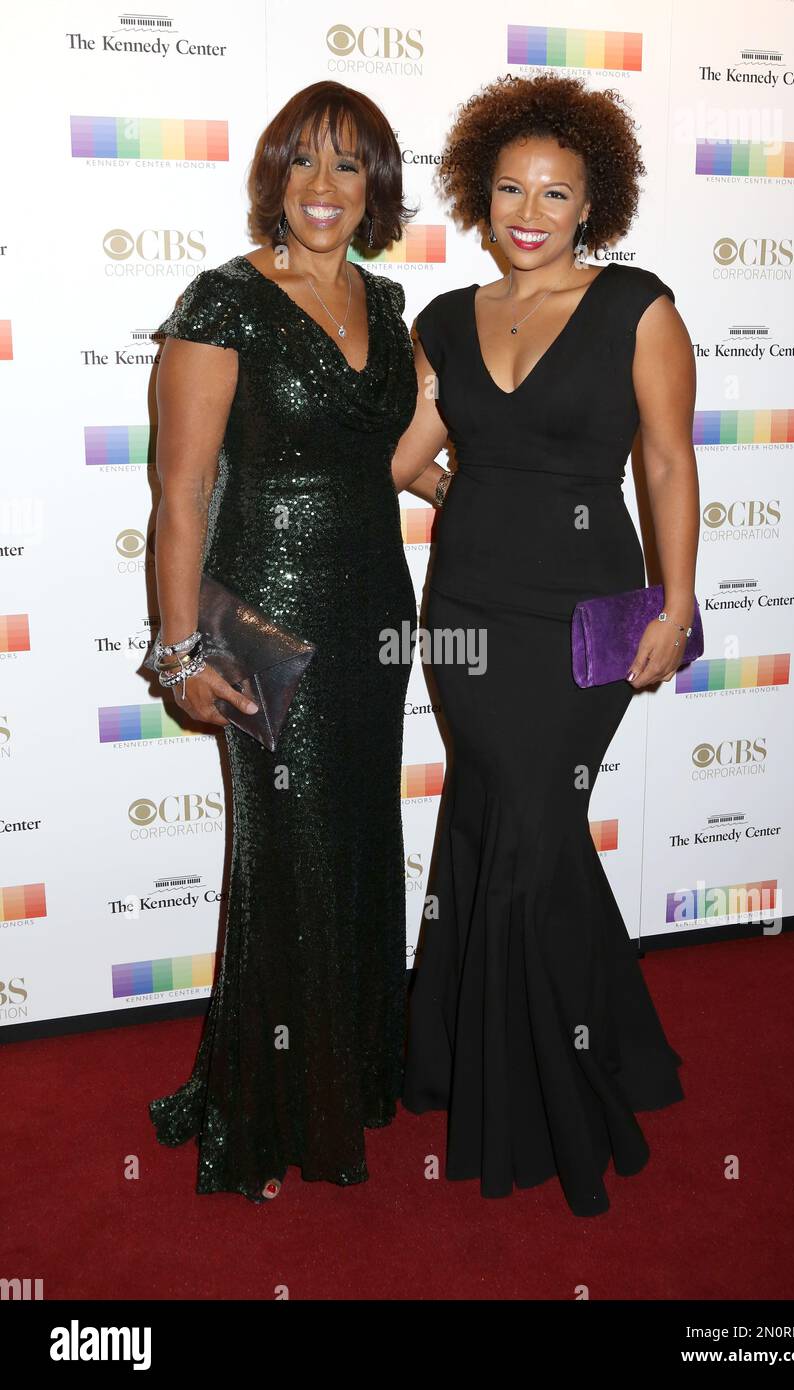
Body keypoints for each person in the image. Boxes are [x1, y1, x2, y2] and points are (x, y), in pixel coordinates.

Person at [391, 72, 699, 1217]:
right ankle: (569, 1044)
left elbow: (666, 462)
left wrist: (673, 605)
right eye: (510, 187)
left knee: (526, 822)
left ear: (591, 205)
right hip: (465, 605)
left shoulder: (636, 307)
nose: (530, 210)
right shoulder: (441, 320)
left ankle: (547, 1092)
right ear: (480, 194)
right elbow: (405, 453)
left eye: (556, 193)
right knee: (496, 817)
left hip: (581, 616)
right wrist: (452, 485)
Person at [147, 81, 418, 1203]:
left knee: (355, 845)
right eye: (301, 161)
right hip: (267, 622)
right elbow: (178, 491)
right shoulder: (221, 303)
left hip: (377, 619)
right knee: (284, 858)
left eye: (348, 165)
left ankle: (345, 1075)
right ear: (272, 175)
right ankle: (266, 1108)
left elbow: (388, 455)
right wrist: (178, 651)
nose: (322, 187)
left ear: (375, 187)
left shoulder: (390, 300)